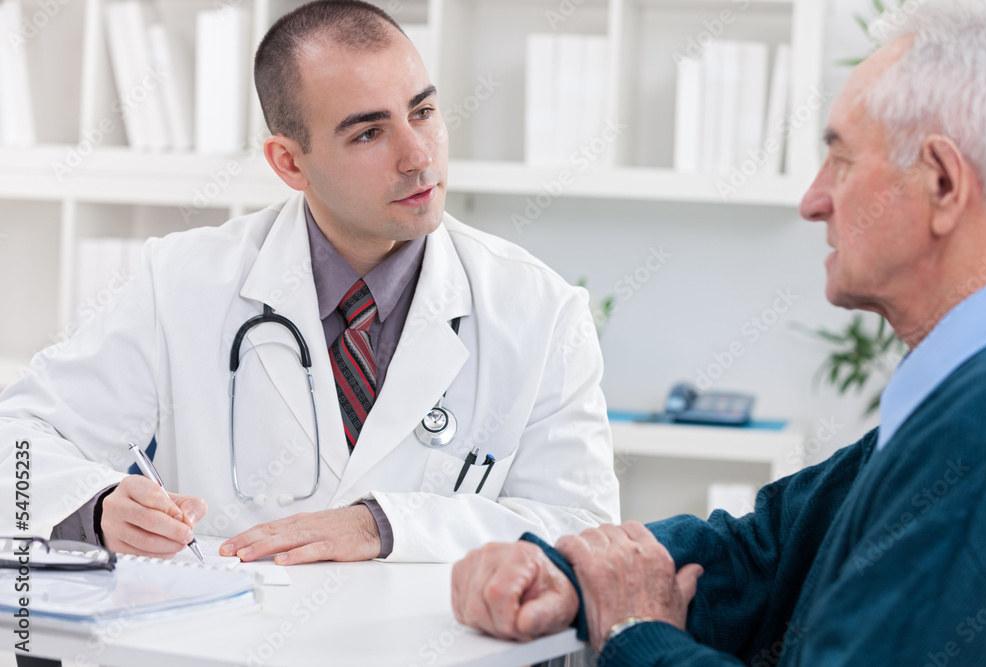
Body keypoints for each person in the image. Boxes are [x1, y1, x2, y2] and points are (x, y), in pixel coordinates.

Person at [451, 1, 986, 663]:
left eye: (843, 161)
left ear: (941, 182)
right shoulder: (950, 398)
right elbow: (767, 551)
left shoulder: (981, 428)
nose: (813, 199)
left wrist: (633, 633)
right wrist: (568, 574)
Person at [0, 0, 619, 564]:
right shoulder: (182, 282)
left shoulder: (541, 312)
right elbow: (18, 443)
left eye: (424, 112)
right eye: (369, 132)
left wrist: (388, 526)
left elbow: (587, 534)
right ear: (289, 162)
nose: (418, 156)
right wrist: (99, 504)